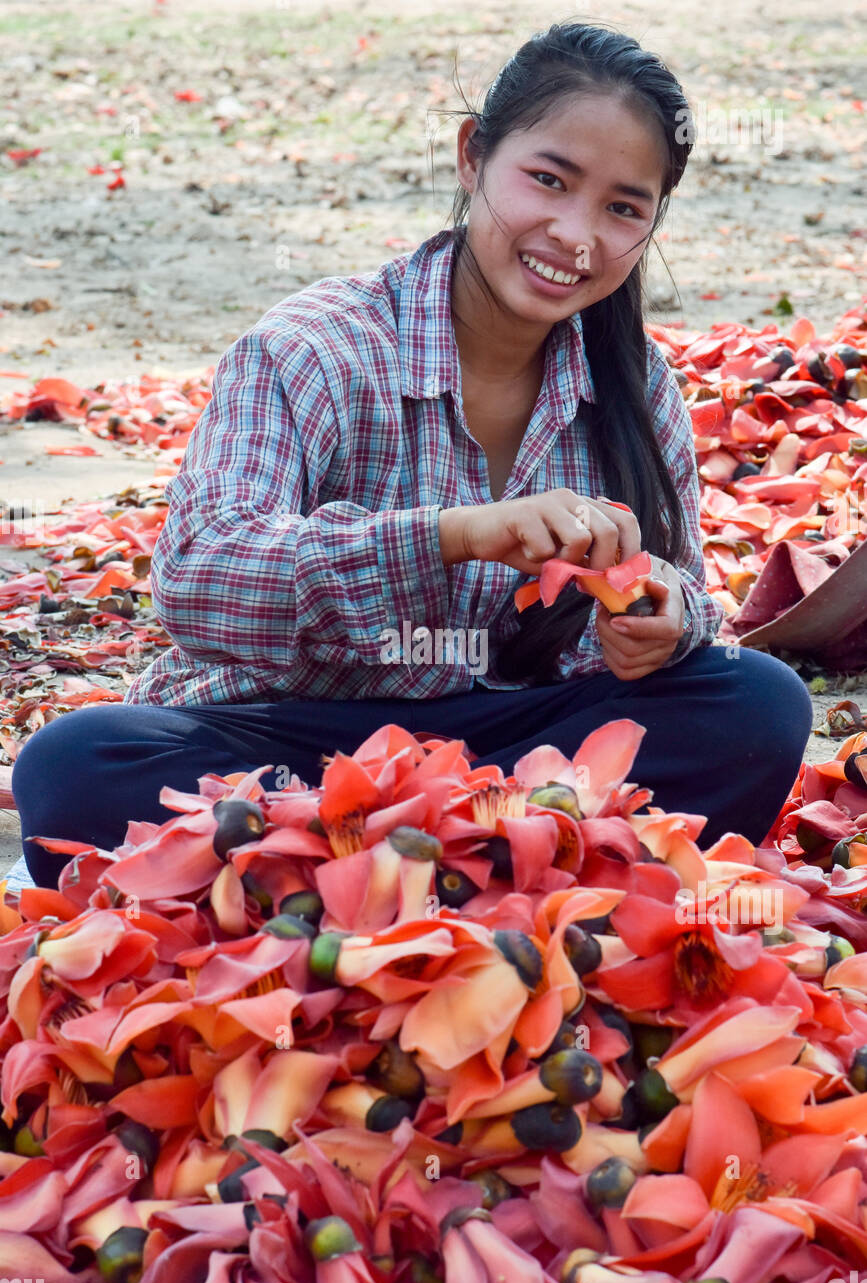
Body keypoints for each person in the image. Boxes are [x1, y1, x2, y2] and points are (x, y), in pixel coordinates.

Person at [12, 20, 812, 890]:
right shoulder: (312, 349)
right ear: (473, 157)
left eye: (623, 207)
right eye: (547, 180)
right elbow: (199, 580)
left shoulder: (635, 384)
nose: (575, 235)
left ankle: (380, 870)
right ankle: (492, 865)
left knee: (758, 703)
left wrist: (661, 623)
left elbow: (689, 595)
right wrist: (451, 534)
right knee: (75, 764)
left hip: (517, 745)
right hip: (298, 743)